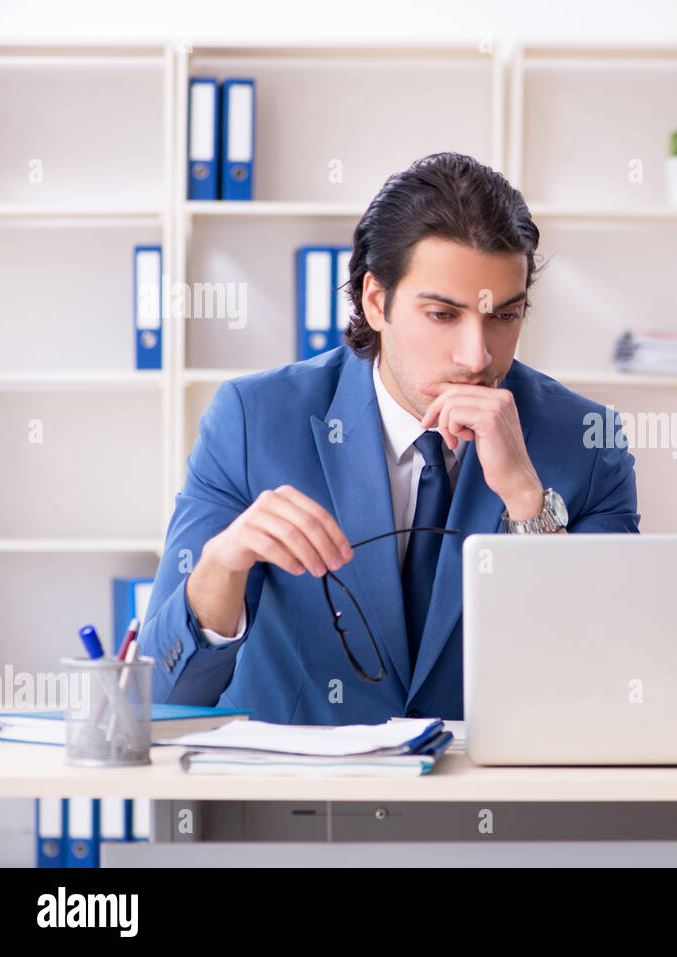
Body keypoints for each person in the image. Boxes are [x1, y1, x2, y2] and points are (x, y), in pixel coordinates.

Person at [139, 153, 640, 724]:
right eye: (443, 315)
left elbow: (614, 682)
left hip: (491, 803)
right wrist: (222, 566)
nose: (477, 357)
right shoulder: (253, 420)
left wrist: (528, 504)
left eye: (504, 316)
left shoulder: (587, 442)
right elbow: (161, 694)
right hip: (299, 800)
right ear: (376, 301)